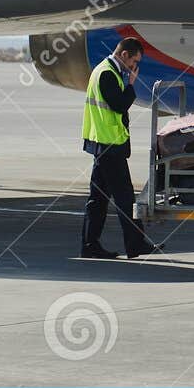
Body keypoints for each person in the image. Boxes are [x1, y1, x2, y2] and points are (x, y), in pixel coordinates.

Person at [79, 37, 157, 260]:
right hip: (109, 145)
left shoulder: (105, 70)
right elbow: (119, 104)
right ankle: (135, 245)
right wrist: (131, 84)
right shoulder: (107, 74)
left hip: (103, 143)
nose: (134, 66)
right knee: (124, 198)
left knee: (98, 199)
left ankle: (89, 245)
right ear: (124, 55)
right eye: (134, 61)